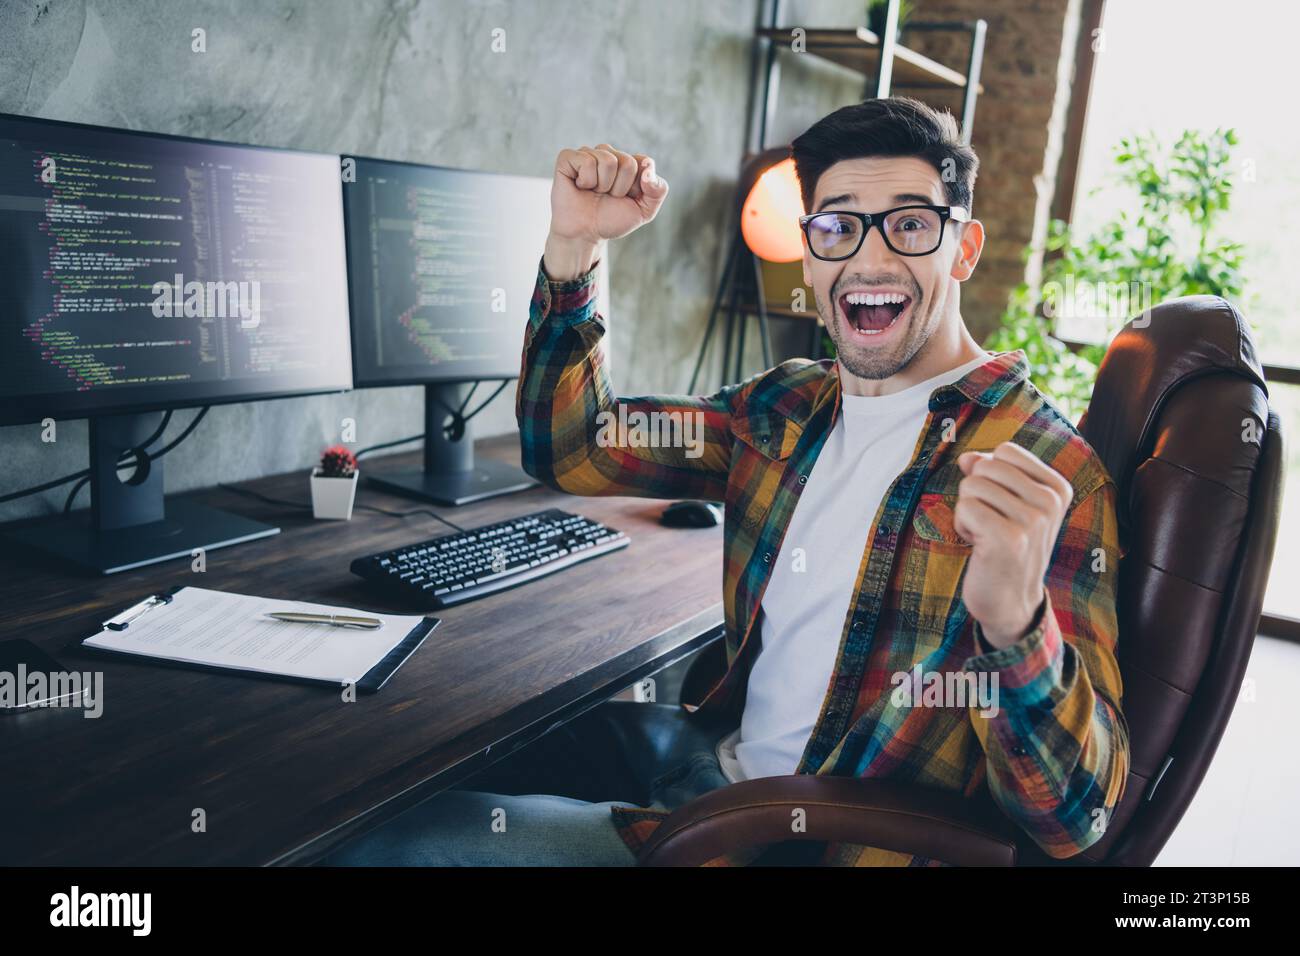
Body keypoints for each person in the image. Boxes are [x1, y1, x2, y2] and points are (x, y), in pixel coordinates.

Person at [323, 96, 1129, 867]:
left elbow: (1073, 820)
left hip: (781, 844)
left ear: (964, 248)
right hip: (710, 765)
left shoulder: (1045, 468)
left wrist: (1014, 624)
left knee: (383, 849)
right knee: (390, 781)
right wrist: (575, 245)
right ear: (808, 252)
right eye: (838, 226)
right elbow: (570, 446)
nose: (870, 258)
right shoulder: (787, 408)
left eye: (911, 225)